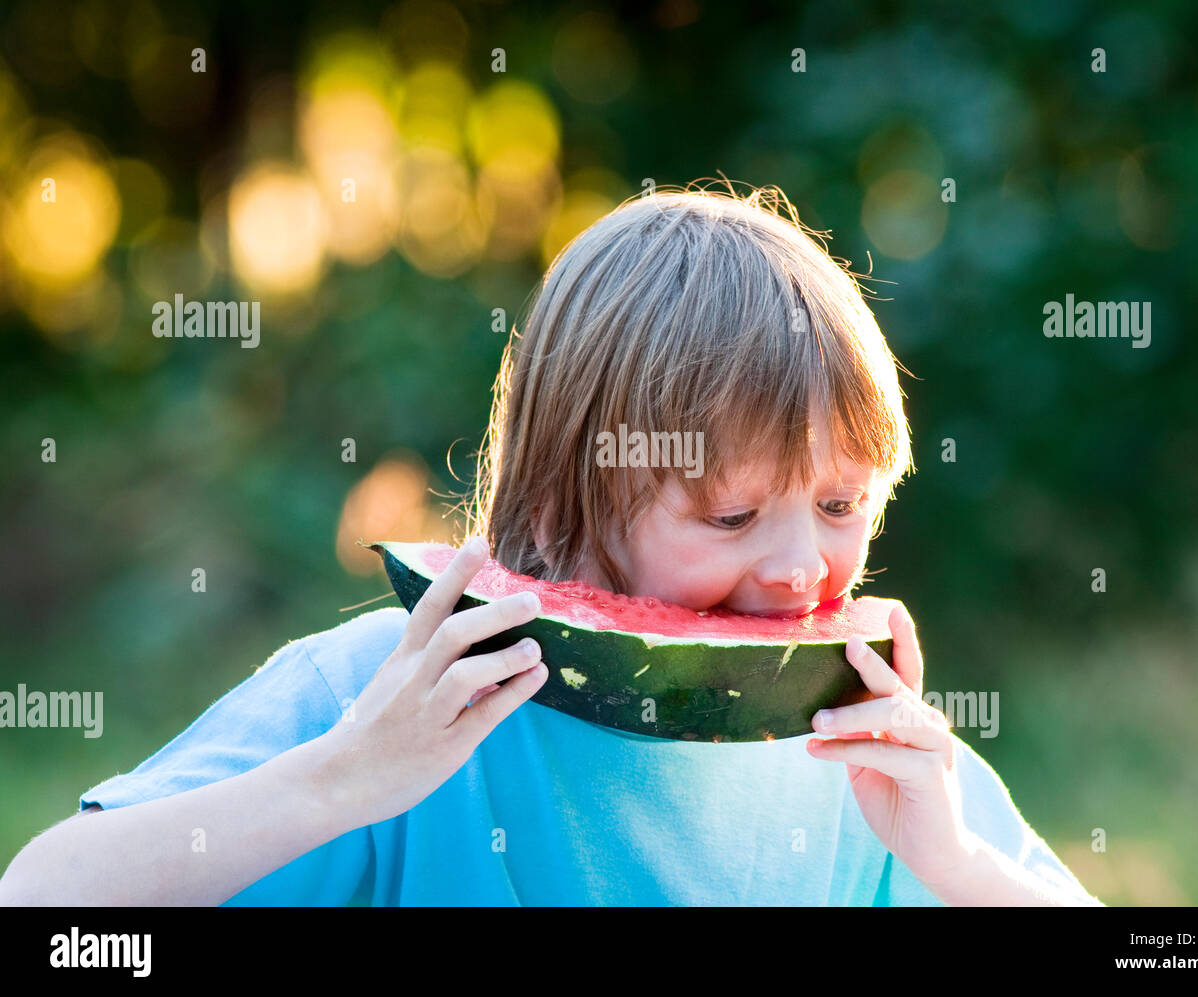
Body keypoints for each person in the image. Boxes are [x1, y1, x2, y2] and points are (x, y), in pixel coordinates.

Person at [0, 182, 1102, 906]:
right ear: (573, 491)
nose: (800, 569)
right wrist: (334, 782)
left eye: (841, 504)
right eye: (728, 516)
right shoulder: (390, 696)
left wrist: (956, 865)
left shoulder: (865, 761)